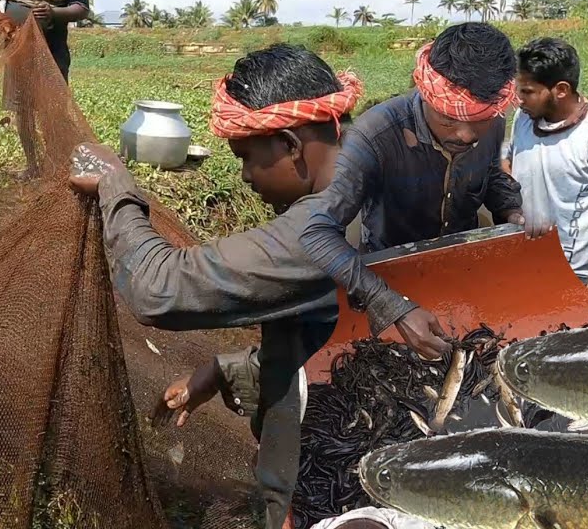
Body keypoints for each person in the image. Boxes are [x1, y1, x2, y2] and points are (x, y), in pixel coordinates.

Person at [71, 43, 369, 529]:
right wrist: (228, 370)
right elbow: (335, 333)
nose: (246, 177)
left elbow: (157, 287)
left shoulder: (322, 231)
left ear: (292, 145)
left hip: (334, 490)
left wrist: (116, 187)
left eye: (248, 158)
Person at [298, 21, 525, 362]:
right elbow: (315, 232)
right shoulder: (373, 135)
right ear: (428, 94)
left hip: (461, 276)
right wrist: (391, 306)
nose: (465, 136)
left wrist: (512, 209)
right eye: (448, 120)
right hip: (389, 278)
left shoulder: (492, 123)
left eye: (479, 120)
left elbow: (491, 174)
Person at [503, 37, 588, 296]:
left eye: (528, 91)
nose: (518, 100)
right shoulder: (524, 118)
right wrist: (512, 208)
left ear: (561, 90)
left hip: (573, 272)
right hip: (519, 259)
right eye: (517, 89)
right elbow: (507, 160)